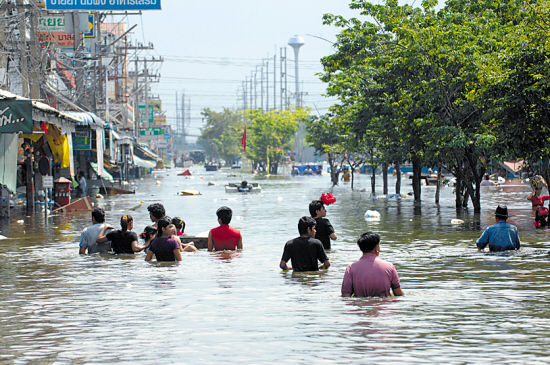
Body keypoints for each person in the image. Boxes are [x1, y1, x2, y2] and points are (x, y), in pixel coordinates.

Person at [341, 232, 403, 297]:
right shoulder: (389, 267)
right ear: (377, 248)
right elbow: (398, 294)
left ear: (360, 248)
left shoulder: (351, 268)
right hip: (384, 305)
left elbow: (345, 295)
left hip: (360, 306)